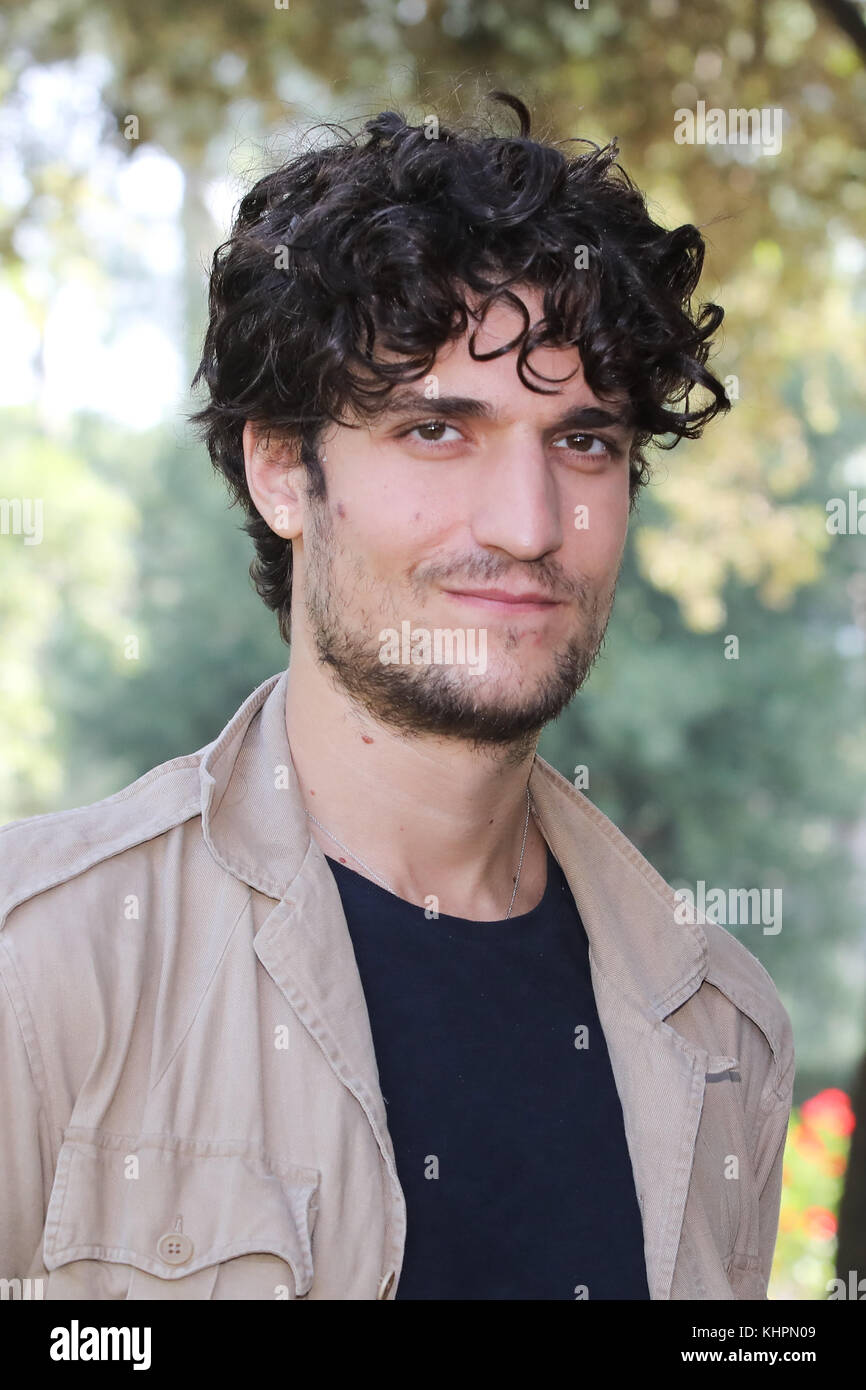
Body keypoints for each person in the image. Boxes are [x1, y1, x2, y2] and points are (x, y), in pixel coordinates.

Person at [0, 91, 793, 1300]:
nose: (528, 527)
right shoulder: (42, 966)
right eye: (436, 430)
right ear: (282, 469)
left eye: (582, 443)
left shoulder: (721, 1032)